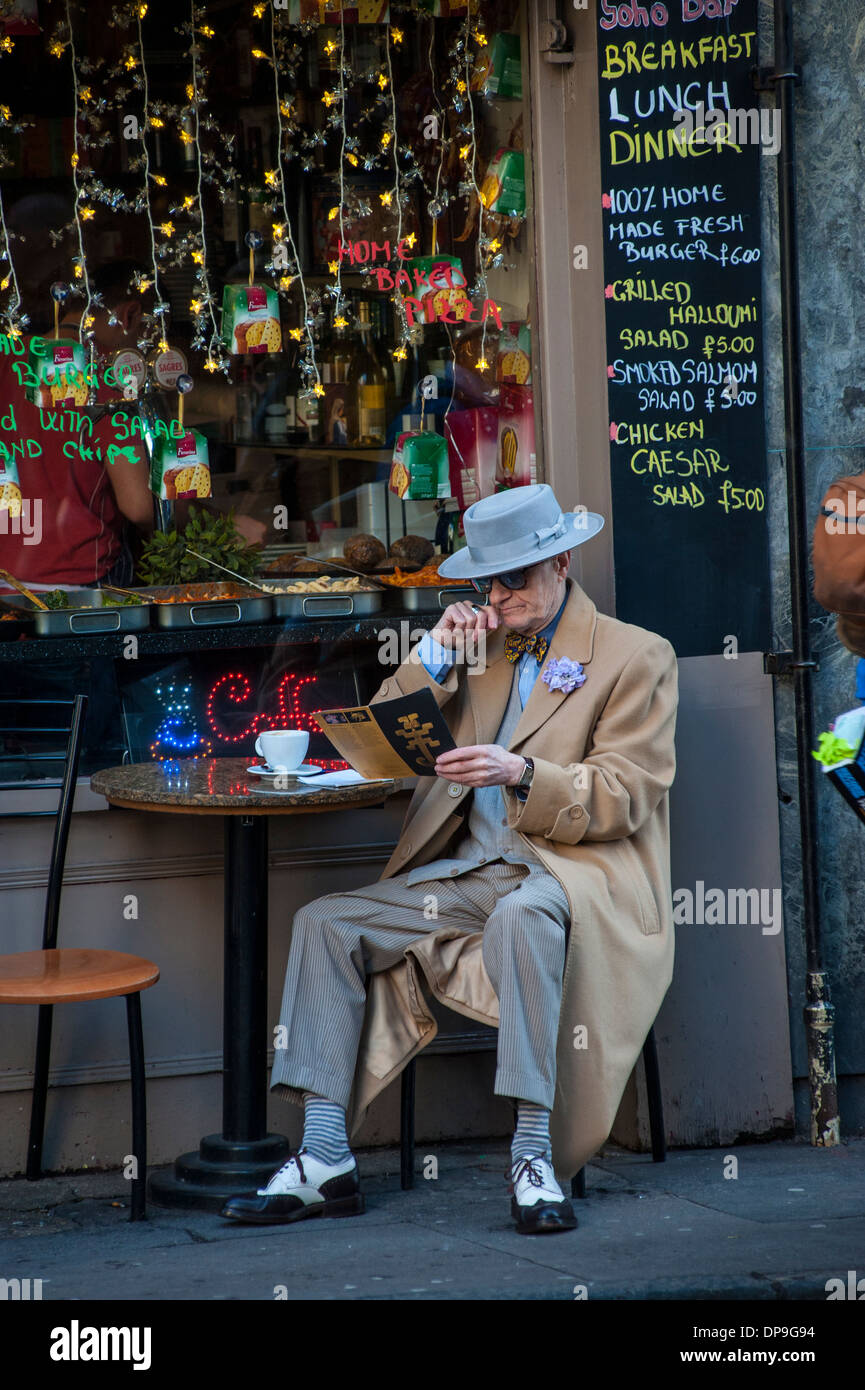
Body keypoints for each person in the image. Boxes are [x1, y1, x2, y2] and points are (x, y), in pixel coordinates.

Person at [221, 483, 679, 1235]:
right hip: (469, 873)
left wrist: (522, 774)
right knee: (324, 923)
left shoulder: (636, 654)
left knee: (523, 919)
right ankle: (325, 1157)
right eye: (486, 582)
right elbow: (382, 747)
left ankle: (533, 1155)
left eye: (515, 580)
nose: (498, 598)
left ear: (560, 563)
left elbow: (627, 793)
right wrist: (432, 654)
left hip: (568, 874)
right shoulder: (479, 644)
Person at [0, 259, 155, 588]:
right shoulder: (107, 378)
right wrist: (204, 518)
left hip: (6, 580)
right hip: (82, 582)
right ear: (130, 315)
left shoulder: (6, 359)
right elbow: (139, 506)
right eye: (148, 338)